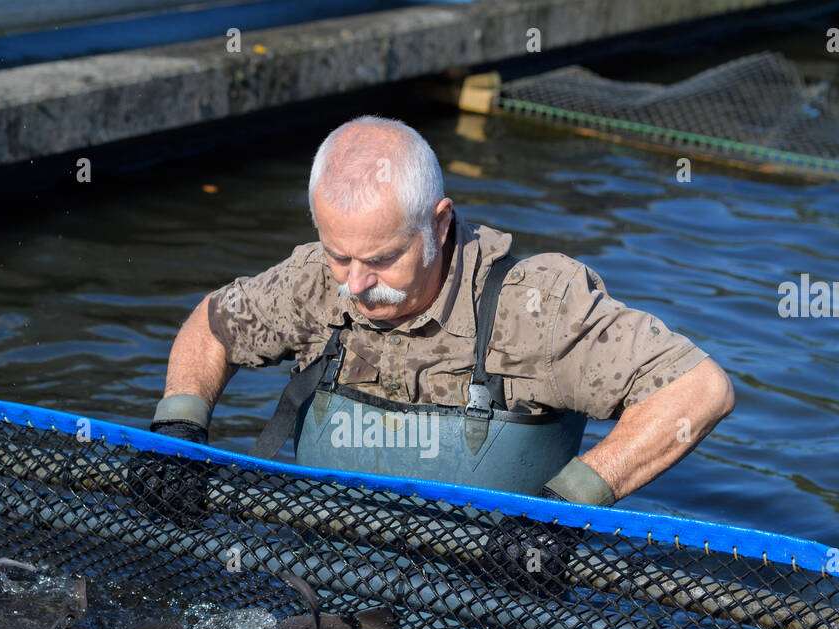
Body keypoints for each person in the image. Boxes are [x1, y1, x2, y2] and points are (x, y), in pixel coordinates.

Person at [151, 116, 733, 506]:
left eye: (381, 259)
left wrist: (565, 507)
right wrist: (179, 431)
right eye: (340, 256)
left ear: (439, 223)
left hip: (492, 596)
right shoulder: (313, 282)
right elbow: (212, 325)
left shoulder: (536, 307)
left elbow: (697, 389)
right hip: (331, 579)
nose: (355, 285)